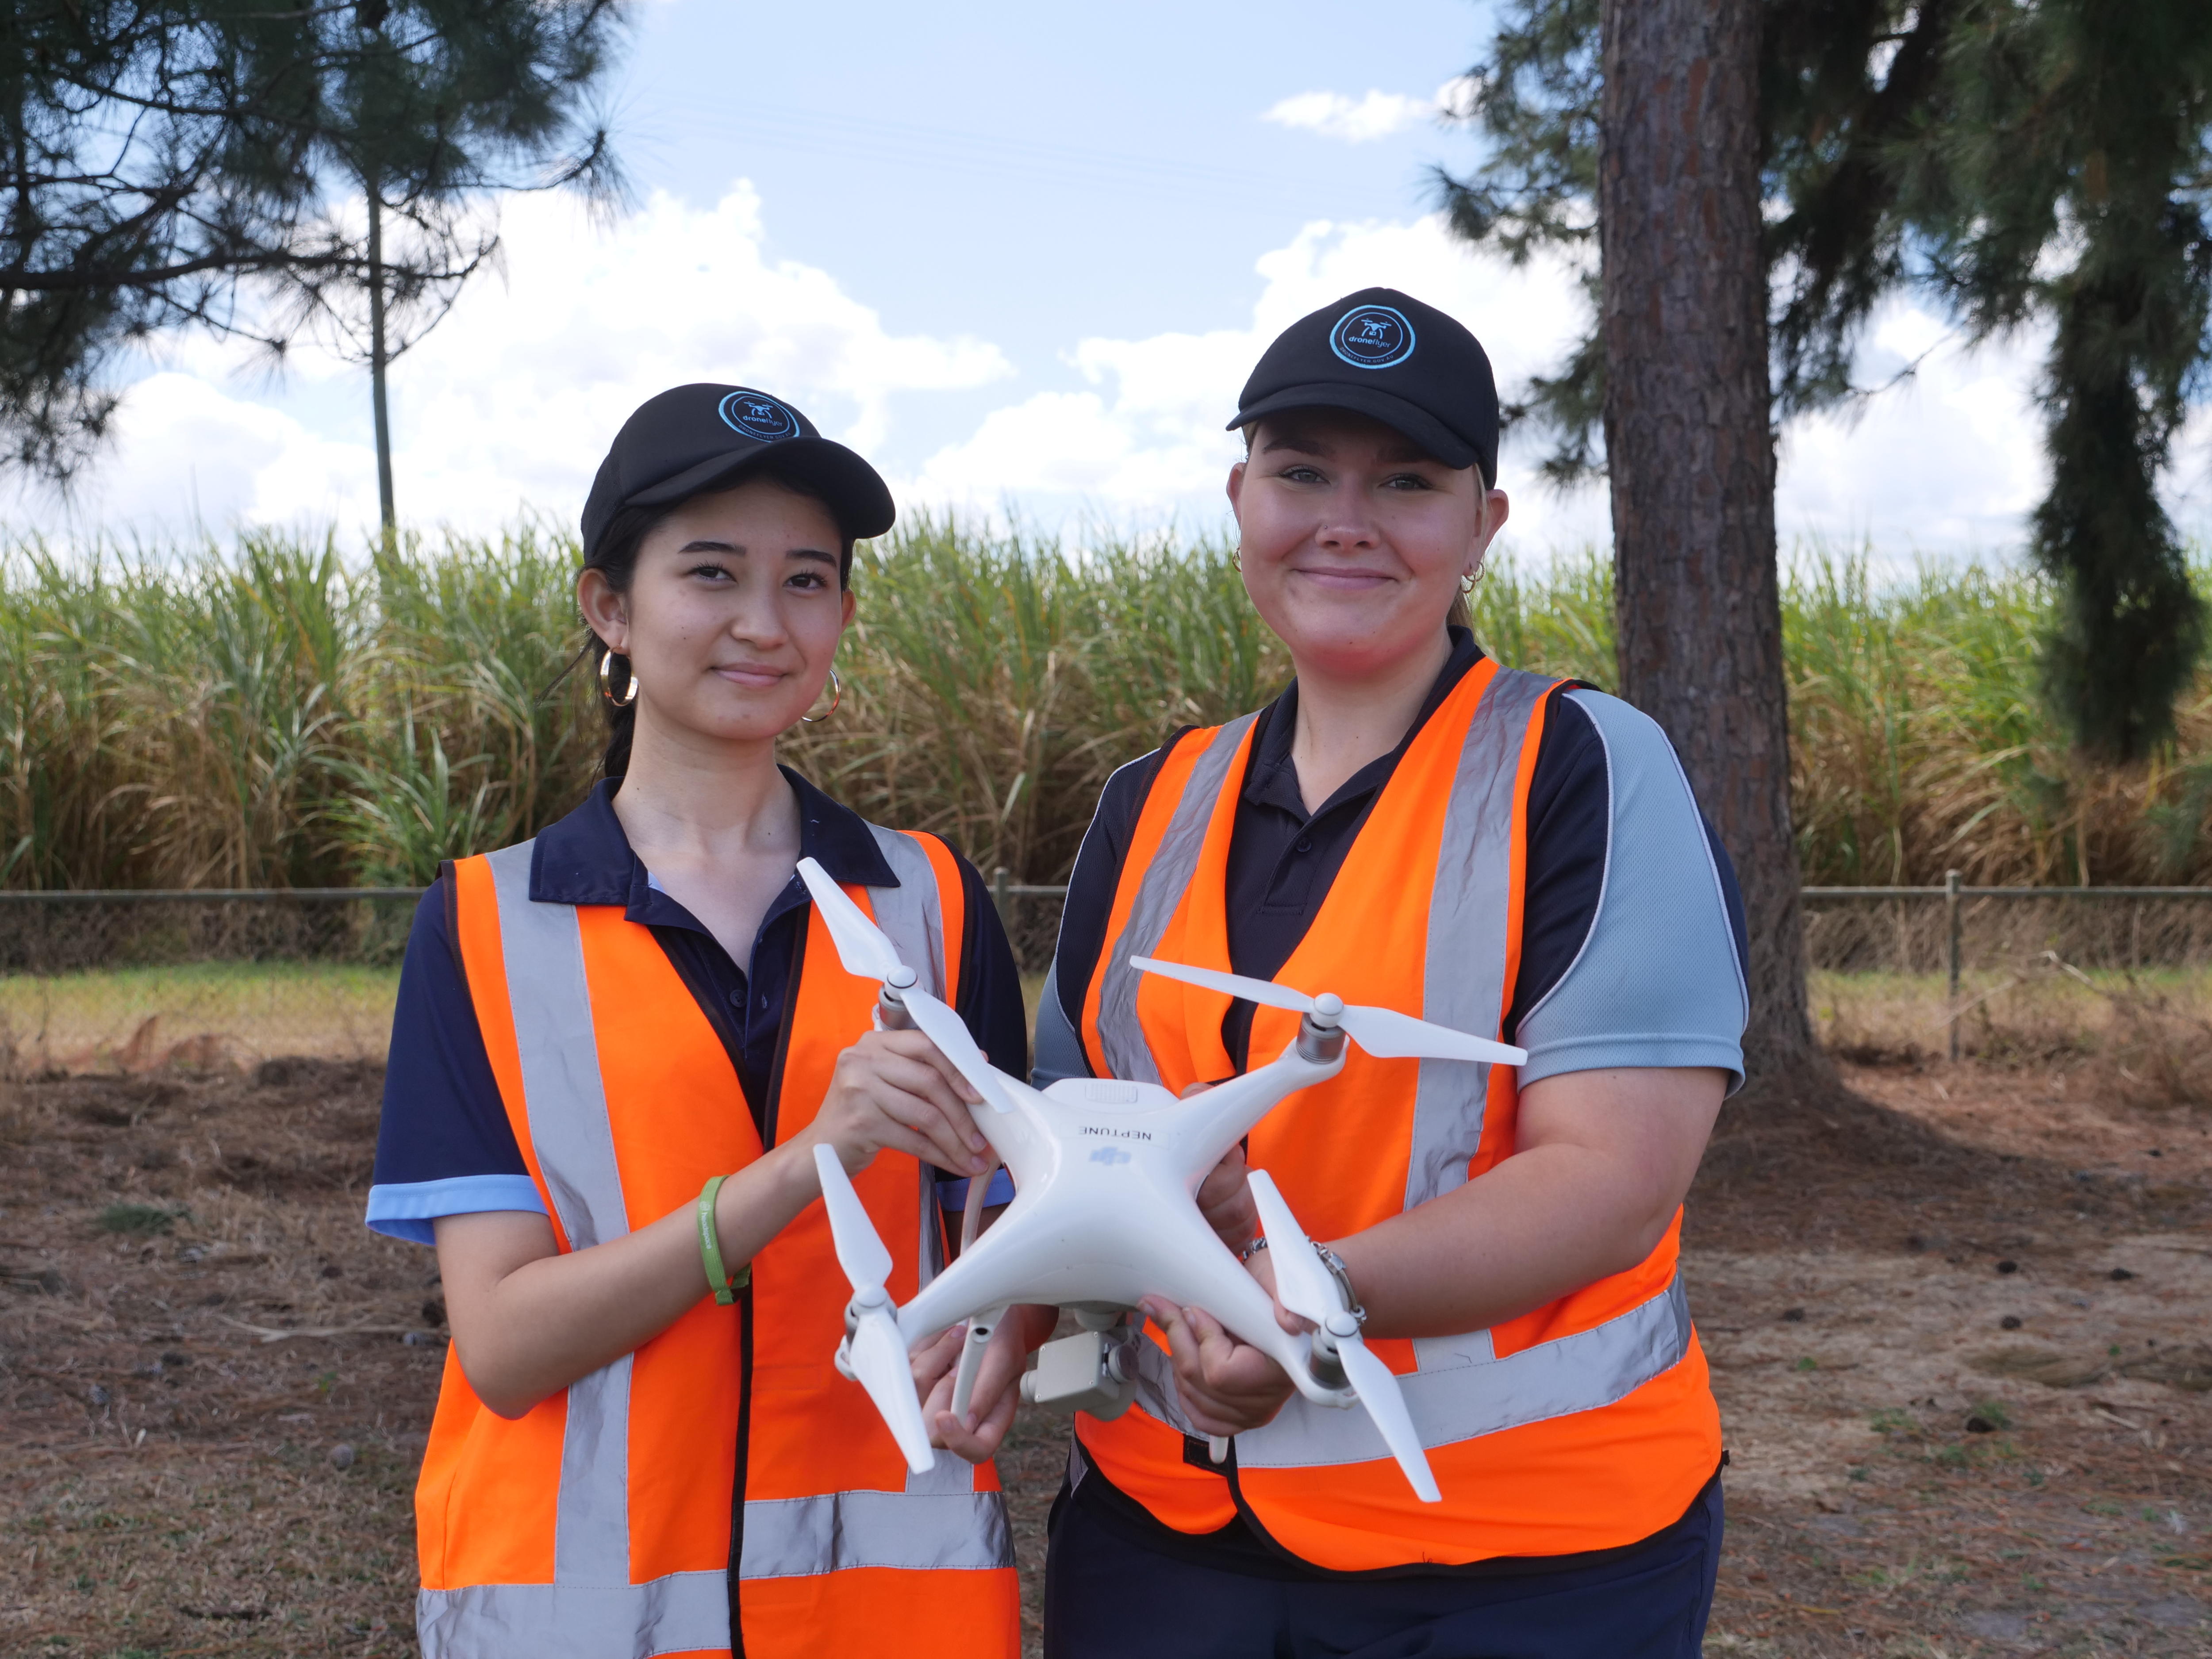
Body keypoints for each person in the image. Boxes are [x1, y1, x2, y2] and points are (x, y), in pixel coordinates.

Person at [1019, 290, 1749, 1656]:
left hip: (1521, 1557)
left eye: (1407, 482)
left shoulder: (1583, 767)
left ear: (1484, 523)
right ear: (1242, 497)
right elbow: (1077, 1137)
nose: (1345, 519)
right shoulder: (1150, 798)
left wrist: (1297, 1299)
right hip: (1163, 1535)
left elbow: (1610, 1179)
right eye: (1302, 473)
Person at [364, 384, 1024, 1659]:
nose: (764, 625)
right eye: (712, 574)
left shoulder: (933, 899)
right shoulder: (485, 926)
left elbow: (1004, 1238)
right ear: (608, 605)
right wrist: (800, 1168)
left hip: (892, 1613)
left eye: (809, 582)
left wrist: (1005, 1335)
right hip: (575, 1621)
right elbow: (502, 1347)